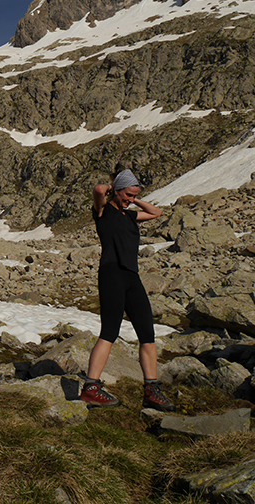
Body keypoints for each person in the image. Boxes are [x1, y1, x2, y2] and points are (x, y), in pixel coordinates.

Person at [81, 169, 175, 411]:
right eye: (128, 195)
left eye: (133, 196)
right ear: (117, 190)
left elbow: (157, 212)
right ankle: (91, 388)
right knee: (109, 331)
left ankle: (151, 391)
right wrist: (115, 191)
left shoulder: (130, 215)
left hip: (132, 277)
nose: (130, 200)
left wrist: (133, 197)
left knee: (147, 333)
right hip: (111, 274)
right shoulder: (103, 212)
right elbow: (99, 191)